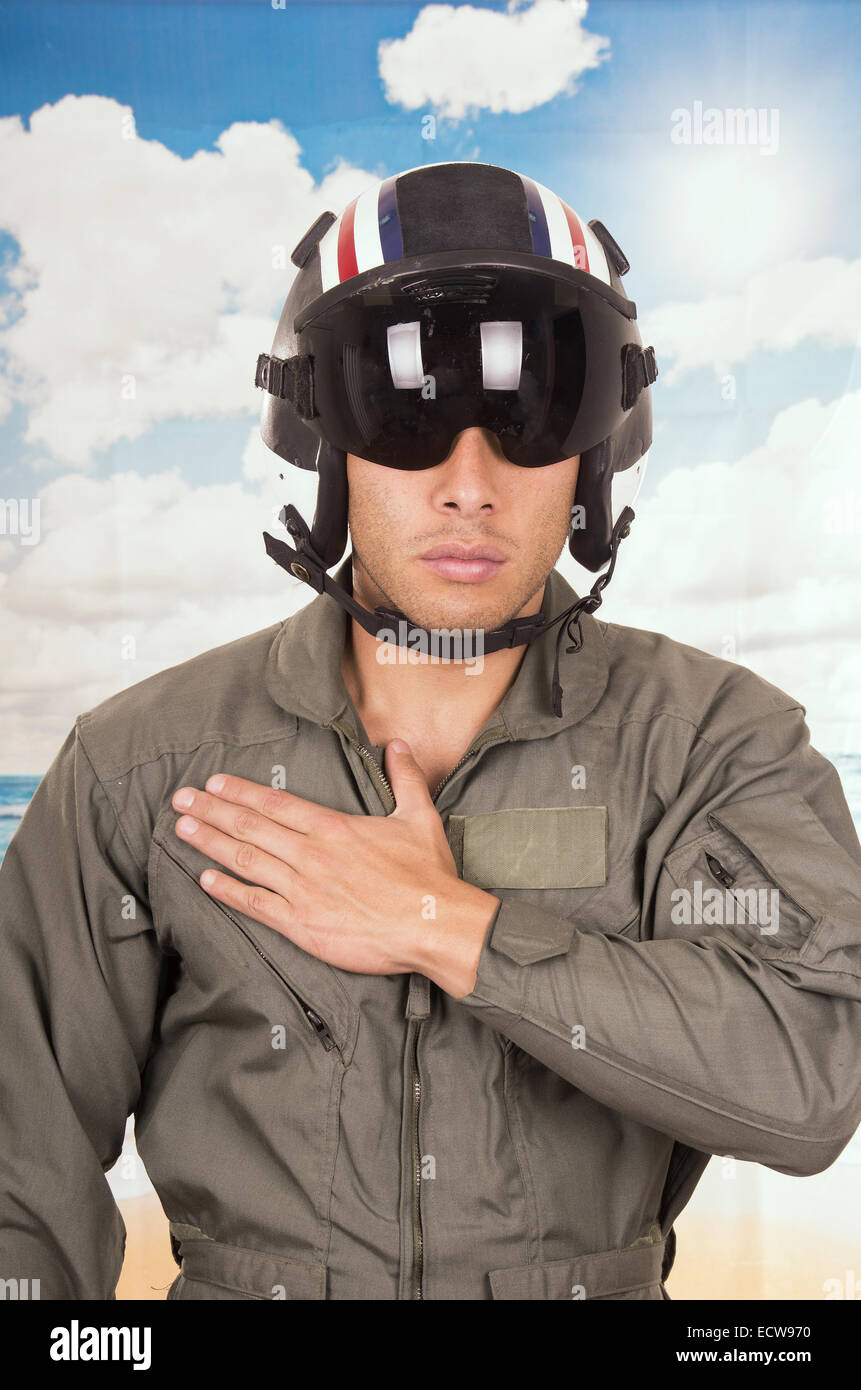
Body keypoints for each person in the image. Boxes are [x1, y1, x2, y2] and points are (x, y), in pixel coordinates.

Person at [1, 161, 859, 1301]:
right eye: (407, 417)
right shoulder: (138, 768)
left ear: (593, 457)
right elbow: (21, 1184)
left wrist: (446, 925)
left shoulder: (715, 746)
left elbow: (808, 1076)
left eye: (529, 409)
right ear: (333, 455)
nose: (470, 483)